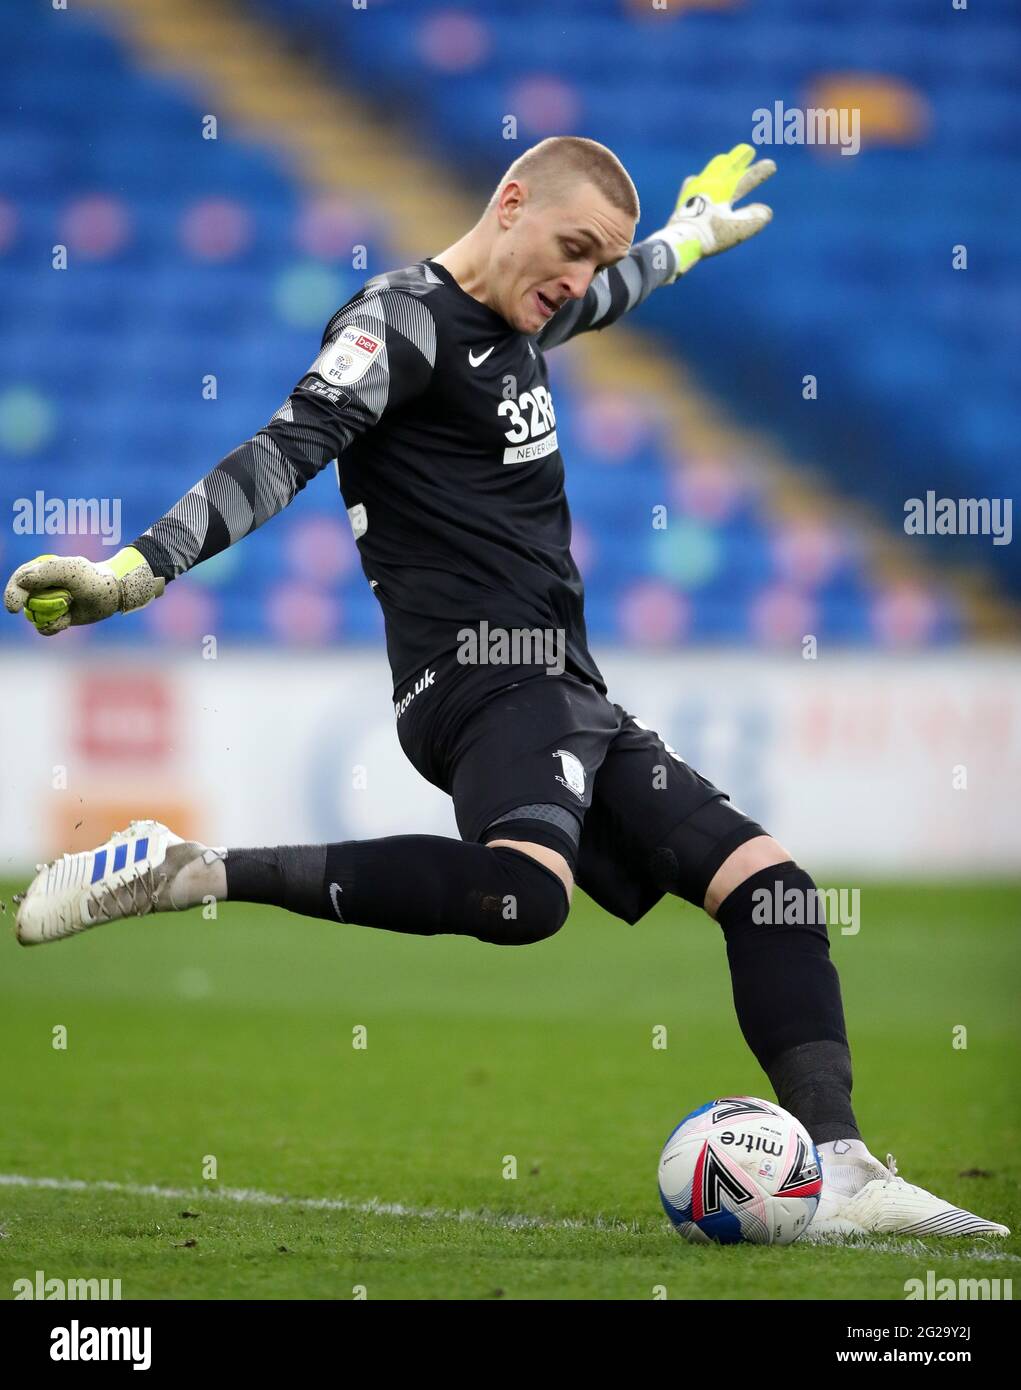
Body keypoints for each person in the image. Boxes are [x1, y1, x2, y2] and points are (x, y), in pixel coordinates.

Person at [5, 137, 1007, 1239]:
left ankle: (847, 1165)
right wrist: (132, 570)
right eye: (569, 248)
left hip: (564, 685)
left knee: (772, 890)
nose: (576, 281)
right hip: (474, 677)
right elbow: (282, 451)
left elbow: (603, 294)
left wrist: (682, 240)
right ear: (511, 203)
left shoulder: (529, 314)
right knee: (528, 895)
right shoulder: (397, 326)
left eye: (593, 263)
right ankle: (187, 869)